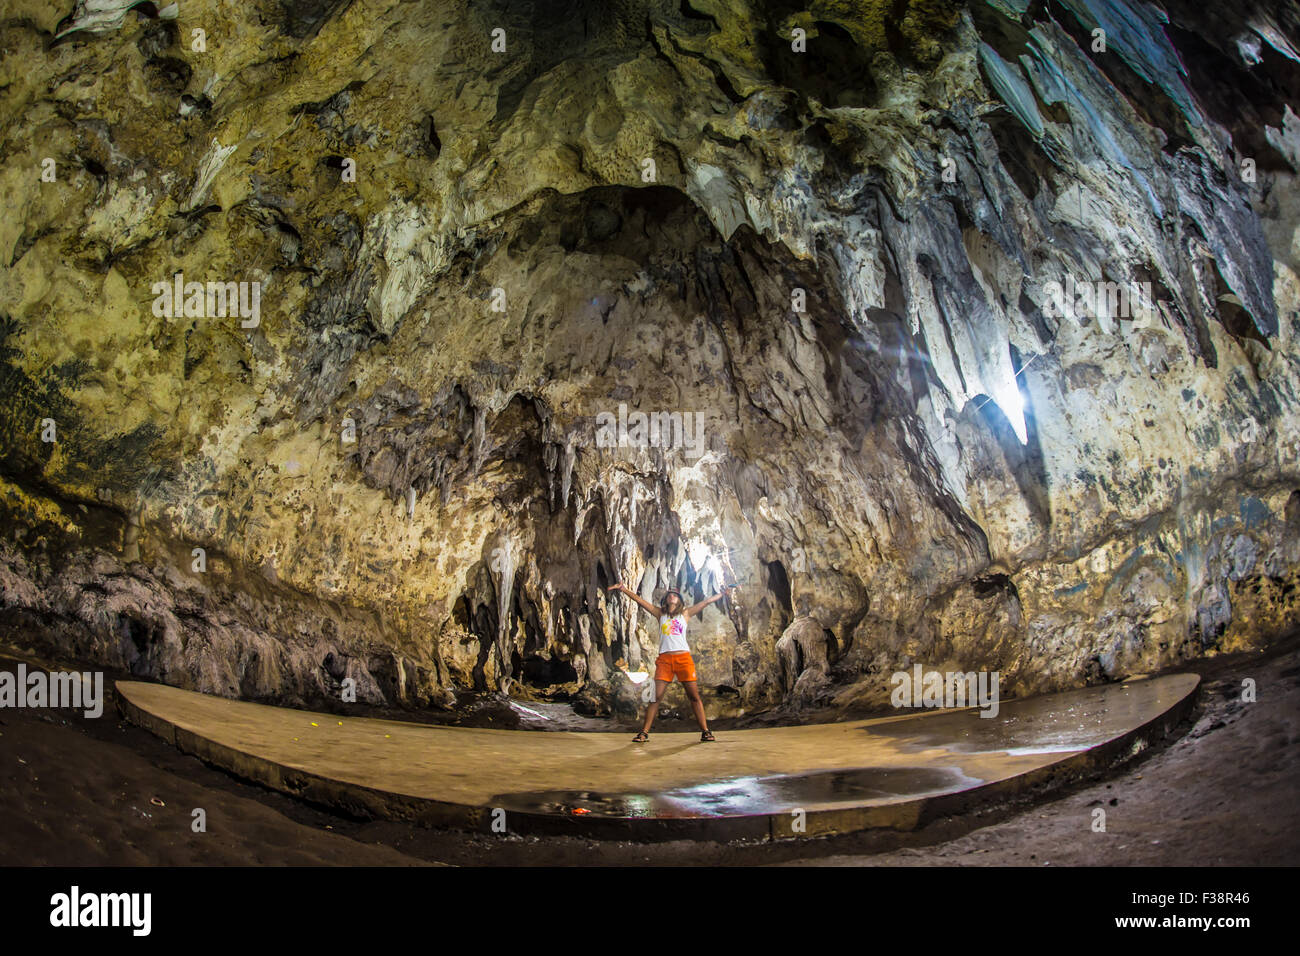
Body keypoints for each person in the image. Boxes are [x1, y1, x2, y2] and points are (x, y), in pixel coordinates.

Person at [606, 581, 737, 742]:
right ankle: (644, 733)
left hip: (683, 659)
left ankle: (706, 731)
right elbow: (640, 601)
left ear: (679, 600)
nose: (672, 596)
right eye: (670, 595)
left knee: (694, 696)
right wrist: (623, 589)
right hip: (665, 660)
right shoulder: (660, 614)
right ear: (666, 600)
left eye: (675, 595)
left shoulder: (686, 614)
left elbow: (706, 602)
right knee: (656, 697)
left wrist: (723, 594)